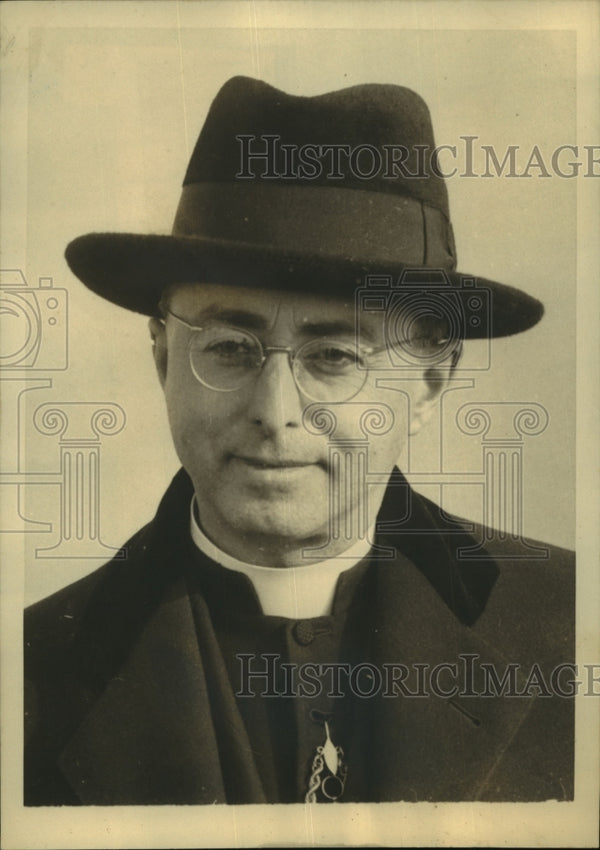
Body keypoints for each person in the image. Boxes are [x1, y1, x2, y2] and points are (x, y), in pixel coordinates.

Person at [24, 76, 574, 805]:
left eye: (335, 357)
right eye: (228, 346)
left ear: (430, 383)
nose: (275, 411)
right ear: (163, 357)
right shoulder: (30, 669)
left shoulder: (572, 626)